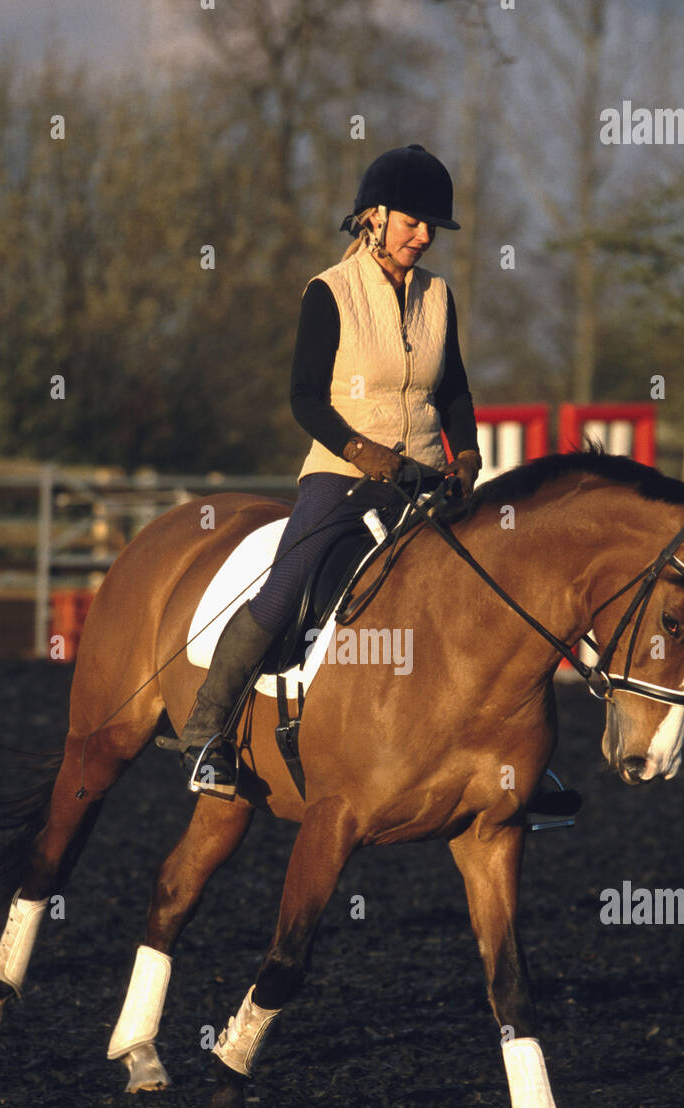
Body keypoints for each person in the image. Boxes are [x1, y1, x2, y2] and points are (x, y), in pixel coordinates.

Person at [173, 144, 482, 795]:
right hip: (341, 476)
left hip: (425, 480)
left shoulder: (439, 298)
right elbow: (304, 399)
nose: (424, 237)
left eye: (433, 228)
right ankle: (207, 731)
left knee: (487, 583)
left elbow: (452, 391)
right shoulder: (329, 292)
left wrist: (468, 455)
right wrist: (367, 455)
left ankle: (505, 756)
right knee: (284, 590)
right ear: (373, 216)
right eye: (412, 223)